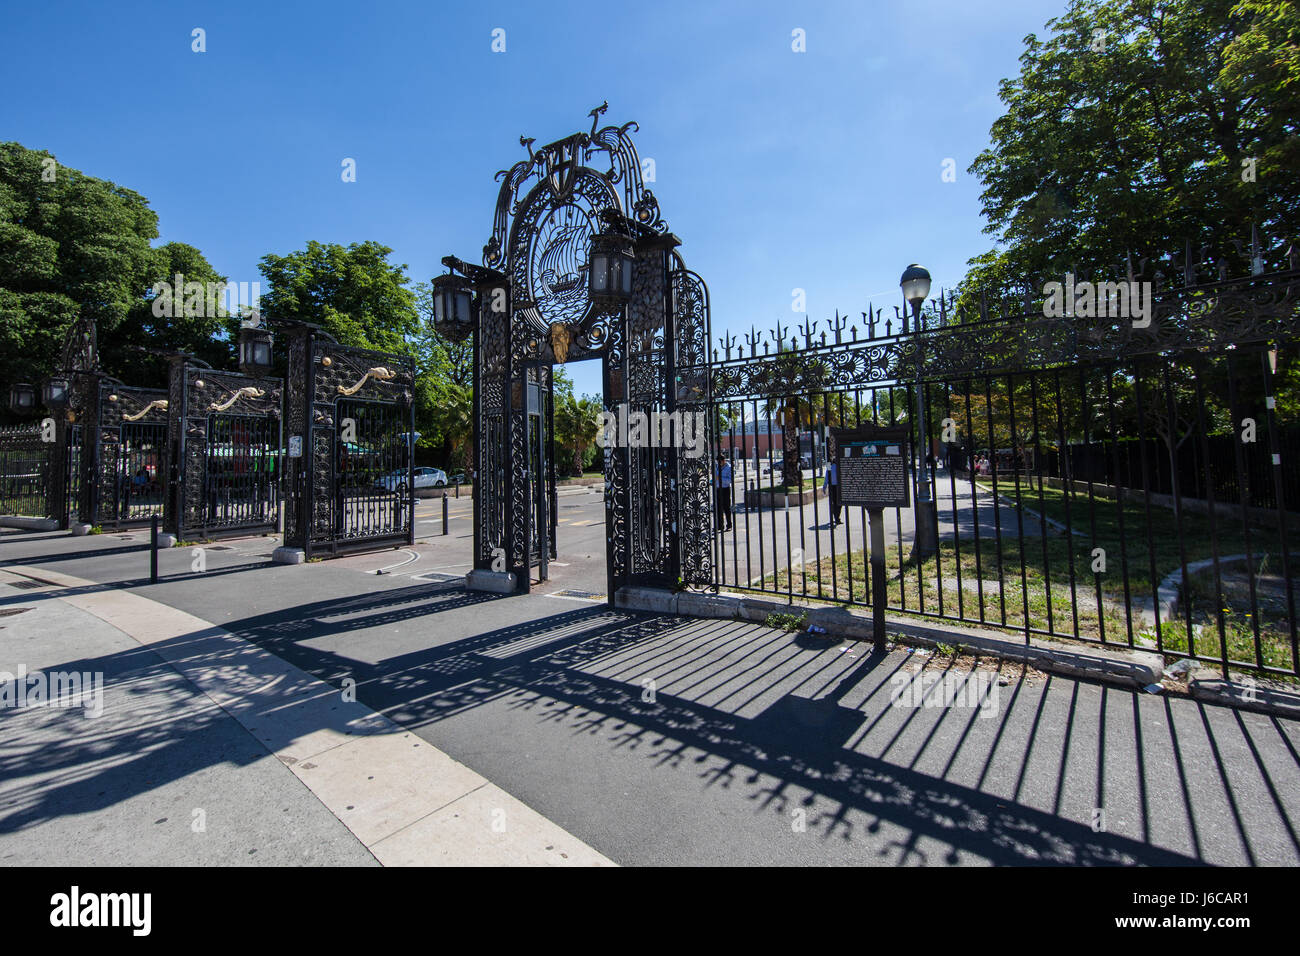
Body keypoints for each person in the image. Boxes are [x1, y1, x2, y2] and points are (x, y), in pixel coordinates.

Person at [715, 454, 733, 532]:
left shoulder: (729, 468)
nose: (718, 464)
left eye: (720, 462)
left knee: (726, 507)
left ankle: (729, 524)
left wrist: (720, 478)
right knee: (718, 508)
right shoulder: (717, 467)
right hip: (718, 489)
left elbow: (730, 480)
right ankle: (720, 525)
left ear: (723, 461)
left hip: (725, 489)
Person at [823, 457, 841, 526]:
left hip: (831, 487)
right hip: (838, 487)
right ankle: (837, 517)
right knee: (839, 502)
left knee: (834, 501)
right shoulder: (839, 467)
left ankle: (835, 514)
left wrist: (824, 487)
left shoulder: (829, 467)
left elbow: (826, 477)